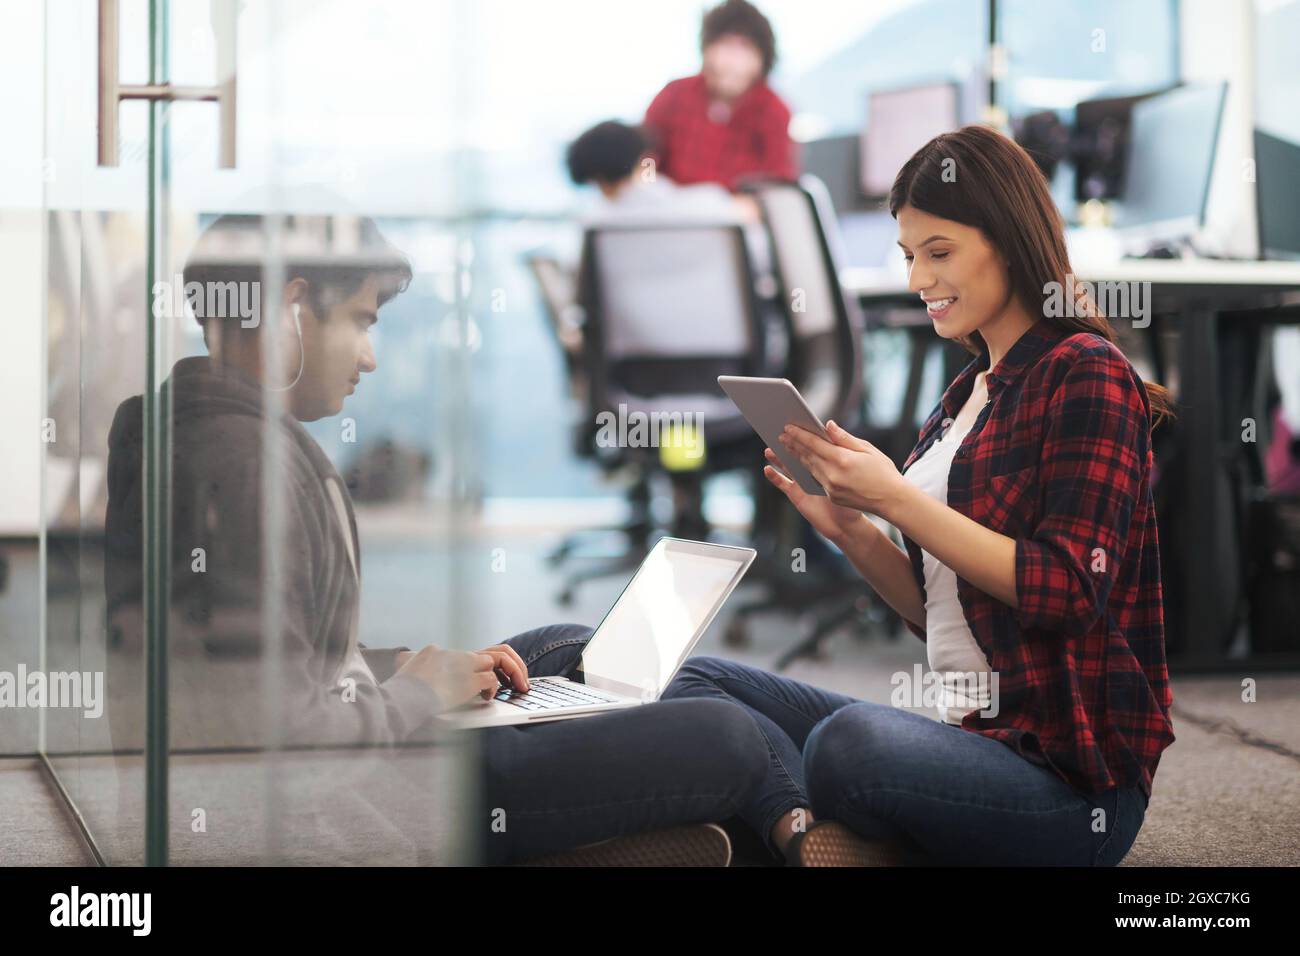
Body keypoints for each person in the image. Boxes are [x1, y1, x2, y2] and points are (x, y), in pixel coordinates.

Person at [103, 213, 766, 865]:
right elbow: (285, 746)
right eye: (363, 321)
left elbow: (269, 665)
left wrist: (414, 669)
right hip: (351, 801)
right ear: (293, 308)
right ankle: (796, 825)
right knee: (725, 734)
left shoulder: (180, 422)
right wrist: (418, 694)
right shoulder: (252, 468)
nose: (369, 355)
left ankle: (782, 817)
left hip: (327, 761)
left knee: (561, 647)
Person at [657, 125, 1177, 866]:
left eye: (939, 253)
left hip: (1065, 785)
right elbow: (943, 612)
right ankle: (805, 835)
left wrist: (896, 501)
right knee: (695, 683)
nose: (917, 280)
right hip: (961, 736)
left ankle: (789, 814)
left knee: (851, 746)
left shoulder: (1085, 371)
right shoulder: (963, 395)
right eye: (909, 257)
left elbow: (1066, 592)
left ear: (1009, 240)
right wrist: (854, 531)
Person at [643, 0, 797, 191]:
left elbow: (779, 180)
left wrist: (753, 205)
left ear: (762, 58)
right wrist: (646, 187)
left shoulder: (774, 110)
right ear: (707, 48)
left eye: (745, 47)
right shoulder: (674, 95)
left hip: (735, 216)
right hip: (670, 212)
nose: (732, 60)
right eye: (725, 45)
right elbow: (646, 155)